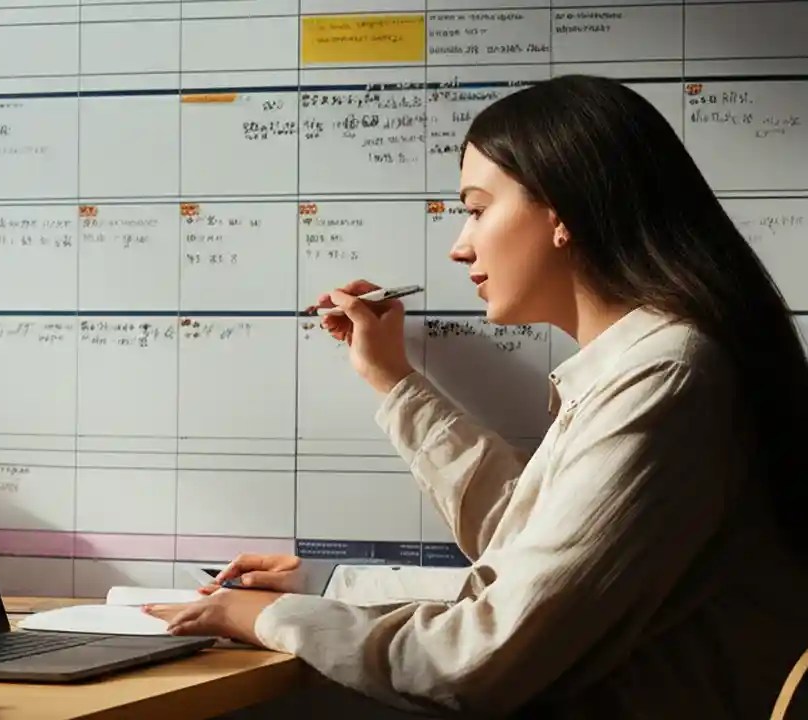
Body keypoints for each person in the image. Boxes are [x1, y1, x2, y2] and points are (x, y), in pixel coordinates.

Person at [144, 74, 808, 718]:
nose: (461, 247)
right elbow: (527, 550)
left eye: (477, 209)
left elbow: (480, 658)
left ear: (563, 212)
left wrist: (271, 617)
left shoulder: (669, 375)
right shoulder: (653, 365)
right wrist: (328, 577)